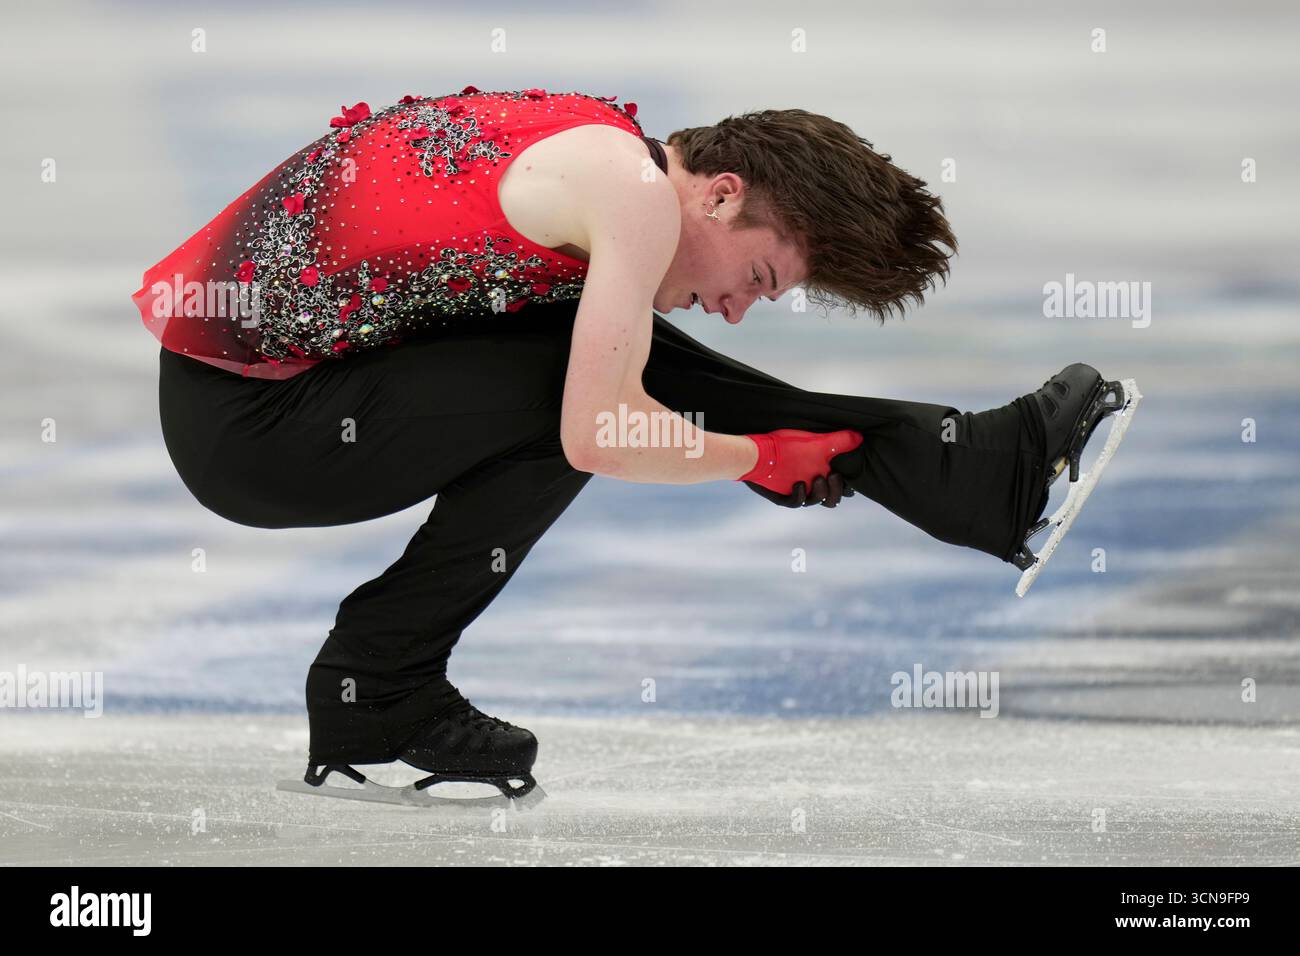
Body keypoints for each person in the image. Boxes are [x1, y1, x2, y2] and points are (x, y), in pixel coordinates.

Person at [136, 87, 1131, 805]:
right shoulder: (634, 197)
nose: (741, 308)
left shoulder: (614, 154)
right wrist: (752, 457)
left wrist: (757, 441)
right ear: (723, 193)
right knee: (579, 389)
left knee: (616, 362)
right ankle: (380, 682)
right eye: (760, 275)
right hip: (249, 424)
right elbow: (596, 430)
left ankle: (969, 468)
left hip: (274, 390)